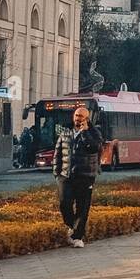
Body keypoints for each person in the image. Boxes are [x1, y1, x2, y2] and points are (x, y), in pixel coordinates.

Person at [53, 106, 103, 249]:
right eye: (76, 115)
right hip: (65, 176)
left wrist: (85, 132)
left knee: (82, 208)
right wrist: (57, 174)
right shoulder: (65, 133)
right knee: (64, 204)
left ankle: (77, 237)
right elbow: (58, 154)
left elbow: (94, 148)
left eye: (81, 116)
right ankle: (71, 226)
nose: (77, 118)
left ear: (87, 119)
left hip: (85, 176)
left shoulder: (94, 133)